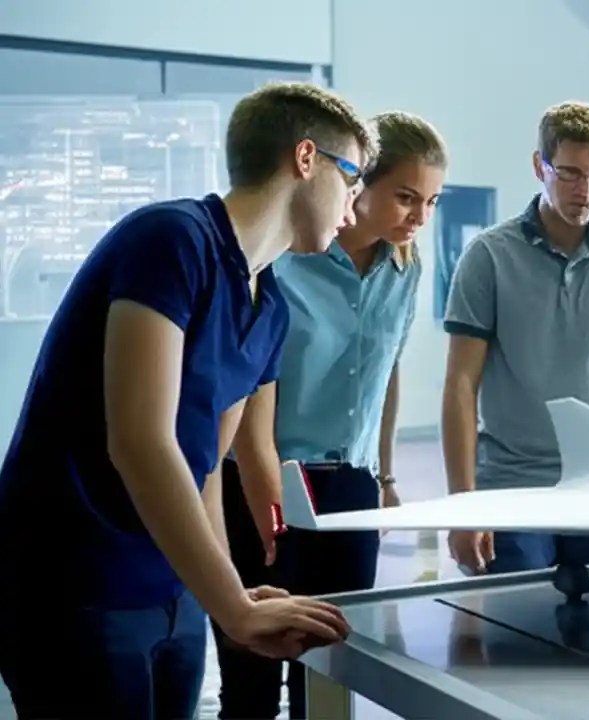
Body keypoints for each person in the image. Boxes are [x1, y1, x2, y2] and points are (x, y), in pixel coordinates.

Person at [0, 82, 373, 718]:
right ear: (306, 159)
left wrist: (225, 594)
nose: (355, 210)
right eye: (353, 179)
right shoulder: (172, 240)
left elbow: (204, 466)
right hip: (77, 585)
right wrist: (230, 606)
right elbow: (140, 442)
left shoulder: (270, 305)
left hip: (175, 595)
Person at [211, 111, 447, 719]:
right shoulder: (285, 256)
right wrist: (259, 482)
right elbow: (249, 384)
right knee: (256, 669)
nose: (419, 217)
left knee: (331, 669)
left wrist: (385, 478)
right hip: (268, 482)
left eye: (431, 201)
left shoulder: (406, 265)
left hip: (352, 488)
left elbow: (383, 375)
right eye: (404, 197)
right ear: (358, 184)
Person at [441, 99, 589, 575]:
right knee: (521, 636)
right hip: (513, 487)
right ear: (538, 167)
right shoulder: (489, 256)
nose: (585, 191)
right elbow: (461, 384)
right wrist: (463, 505)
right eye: (569, 173)